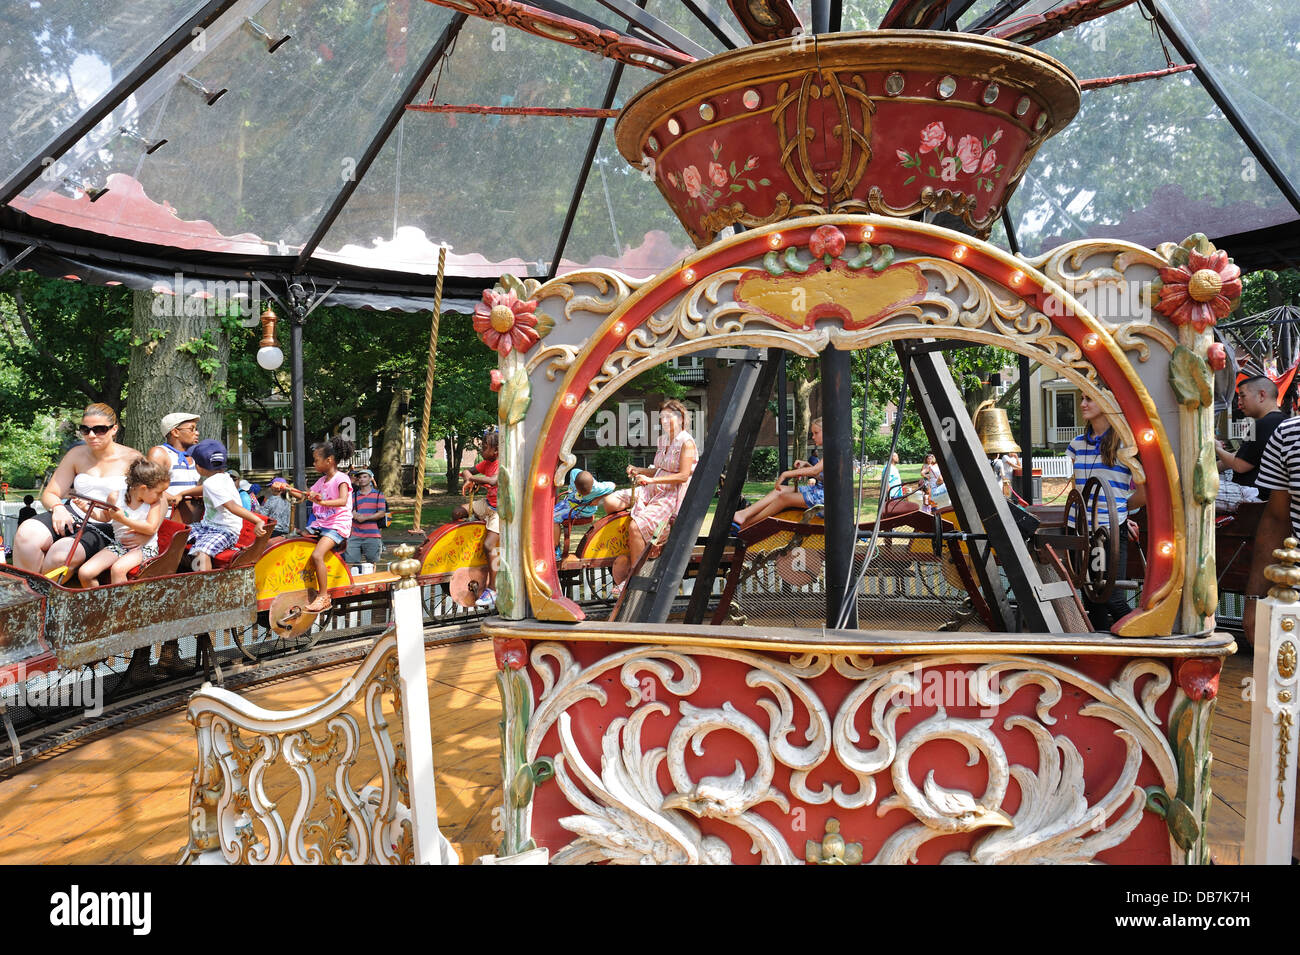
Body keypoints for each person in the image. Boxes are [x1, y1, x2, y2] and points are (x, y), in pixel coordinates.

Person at [12, 403, 141, 577]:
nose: (92, 435)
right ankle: (29, 595)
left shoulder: (133, 458)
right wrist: (58, 508)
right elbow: (50, 494)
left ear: (114, 429)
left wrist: (143, 533)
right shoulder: (76, 454)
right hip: (71, 514)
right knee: (25, 535)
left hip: (106, 524)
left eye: (100, 429)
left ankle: (40, 595)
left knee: (60, 555)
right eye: (85, 430)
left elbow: (152, 500)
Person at [1068, 393, 1146, 631]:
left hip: (1109, 530)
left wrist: (1119, 512)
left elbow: (1143, 493)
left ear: (1108, 404)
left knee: (1110, 594)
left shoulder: (1125, 446)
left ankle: (1140, 635)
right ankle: (1100, 645)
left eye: (1089, 399)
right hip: (1079, 527)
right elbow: (1076, 488)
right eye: (1082, 398)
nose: (1083, 404)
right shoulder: (1076, 445)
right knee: (1091, 596)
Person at [619, 400, 698, 590]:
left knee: (635, 527)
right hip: (654, 488)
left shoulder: (686, 443)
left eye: (667, 417)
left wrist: (653, 481)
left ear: (680, 418)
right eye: (661, 417)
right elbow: (660, 470)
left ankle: (636, 578)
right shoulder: (662, 440)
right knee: (611, 502)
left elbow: (683, 476)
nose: (663, 421)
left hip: (672, 494)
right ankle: (633, 549)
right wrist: (640, 470)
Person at [77, 459, 170, 587]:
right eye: (159, 492)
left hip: (144, 548)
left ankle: (122, 607)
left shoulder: (154, 503)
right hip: (120, 546)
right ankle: (98, 603)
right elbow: (104, 517)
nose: (161, 497)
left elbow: (151, 528)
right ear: (143, 488)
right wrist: (87, 510)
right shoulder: (115, 497)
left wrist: (123, 520)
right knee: (85, 573)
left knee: (118, 569)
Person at [290, 436, 354, 613]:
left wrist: (323, 502)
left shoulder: (341, 478)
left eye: (316, 460)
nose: (314, 463)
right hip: (322, 524)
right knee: (296, 536)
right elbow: (305, 496)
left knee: (318, 555)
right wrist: (287, 489)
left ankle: (323, 596)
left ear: (329, 460)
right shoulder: (321, 481)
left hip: (337, 525)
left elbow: (342, 501)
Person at [186, 439, 266, 572]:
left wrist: (257, 521)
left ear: (199, 467)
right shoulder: (225, 477)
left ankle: (205, 584)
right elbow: (204, 490)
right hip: (207, 526)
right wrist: (182, 493)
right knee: (181, 534)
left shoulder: (211, 483)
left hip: (225, 531)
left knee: (201, 552)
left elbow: (231, 506)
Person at [733, 418, 825, 529]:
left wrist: (786, 474)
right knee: (780, 489)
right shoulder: (829, 450)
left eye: (816, 433)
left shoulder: (833, 450)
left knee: (784, 498)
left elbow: (815, 471)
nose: (813, 437)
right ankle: (744, 514)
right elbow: (821, 477)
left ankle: (747, 525)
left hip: (825, 499)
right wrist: (806, 464)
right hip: (818, 491)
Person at [1217, 374, 1286, 488]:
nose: (1239, 403)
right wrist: (1215, 466)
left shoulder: (1262, 424)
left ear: (1261, 395)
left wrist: (1216, 448)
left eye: (1243, 396)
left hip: (1255, 496)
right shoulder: (1282, 420)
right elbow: (1243, 455)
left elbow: (1240, 465)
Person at [460, 432, 500, 607]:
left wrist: (472, 479)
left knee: (489, 545)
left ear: (496, 450)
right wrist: (469, 477)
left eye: (484, 447)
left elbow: (493, 481)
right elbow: (466, 471)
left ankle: (492, 589)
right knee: (458, 512)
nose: (481, 449)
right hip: (488, 504)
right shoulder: (487, 463)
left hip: (501, 510)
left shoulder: (502, 464)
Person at [147, 412, 203, 518]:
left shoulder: (194, 457)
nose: (197, 433)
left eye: (196, 429)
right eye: (192, 429)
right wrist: (175, 499)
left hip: (193, 523)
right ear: (175, 432)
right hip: (166, 521)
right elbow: (150, 489)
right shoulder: (160, 453)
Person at [554, 468, 617, 557]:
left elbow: (613, 486)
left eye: (586, 493)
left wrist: (598, 499)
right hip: (569, 504)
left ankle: (555, 549)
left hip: (583, 510)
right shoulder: (574, 474)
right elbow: (574, 472)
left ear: (592, 487)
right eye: (580, 492)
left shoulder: (598, 487)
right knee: (548, 514)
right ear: (575, 483)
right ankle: (554, 542)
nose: (583, 494)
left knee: (553, 518)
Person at [345, 467, 388, 568]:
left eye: (365, 477)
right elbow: (347, 510)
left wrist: (365, 518)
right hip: (354, 534)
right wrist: (353, 514)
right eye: (360, 477)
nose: (362, 479)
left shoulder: (379, 495)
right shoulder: (352, 496)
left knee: (372, 562)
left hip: (372, 534)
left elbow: (381, 513)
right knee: (352, 563)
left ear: (370, 479)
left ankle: (371, 582)